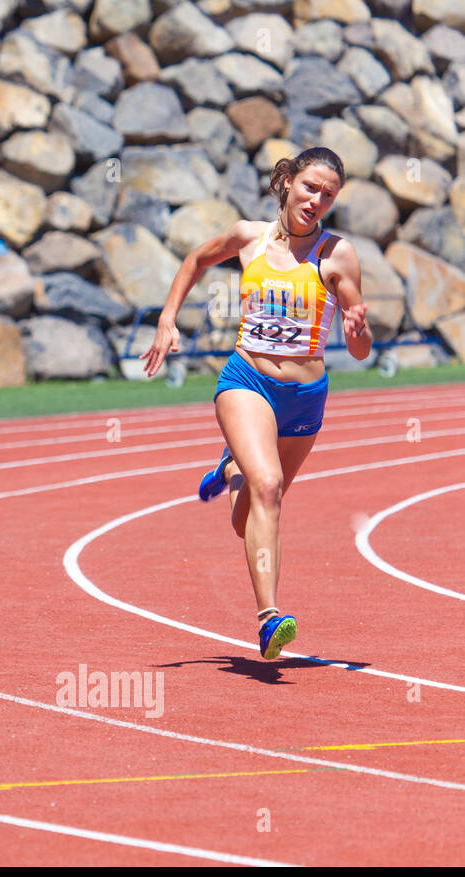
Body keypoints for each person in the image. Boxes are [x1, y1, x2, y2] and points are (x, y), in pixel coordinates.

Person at [142, 147, 371, 660]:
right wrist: (167, 319)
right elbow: (197, 259)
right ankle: (270, 618)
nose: (317, 200)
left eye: (328, 195)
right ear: (287, 182)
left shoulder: (339, 255)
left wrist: (359, 329)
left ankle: (229, 472)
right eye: (310, 187)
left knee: (245, 514)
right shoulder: (250, 238)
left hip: (306, 397)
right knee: (267, 487)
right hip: (247, 380)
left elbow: (359, 347)